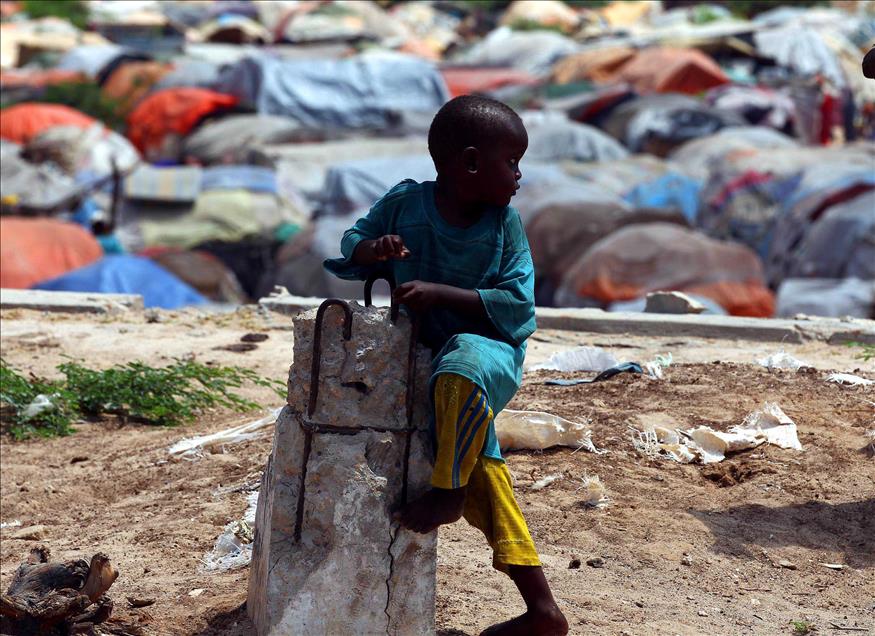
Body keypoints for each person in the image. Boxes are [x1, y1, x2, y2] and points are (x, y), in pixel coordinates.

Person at [324, 95, 568, 636]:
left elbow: (517, 305)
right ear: (472, 163)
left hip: (490, 353)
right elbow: (351, 245)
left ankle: (448, 492)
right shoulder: (406, 205)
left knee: (459, 371)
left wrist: (442, 293)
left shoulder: (505, 225)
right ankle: (543, 612)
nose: (520, 176)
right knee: (485, 462)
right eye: (512, 162)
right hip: (429, 359)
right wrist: (374, 248)